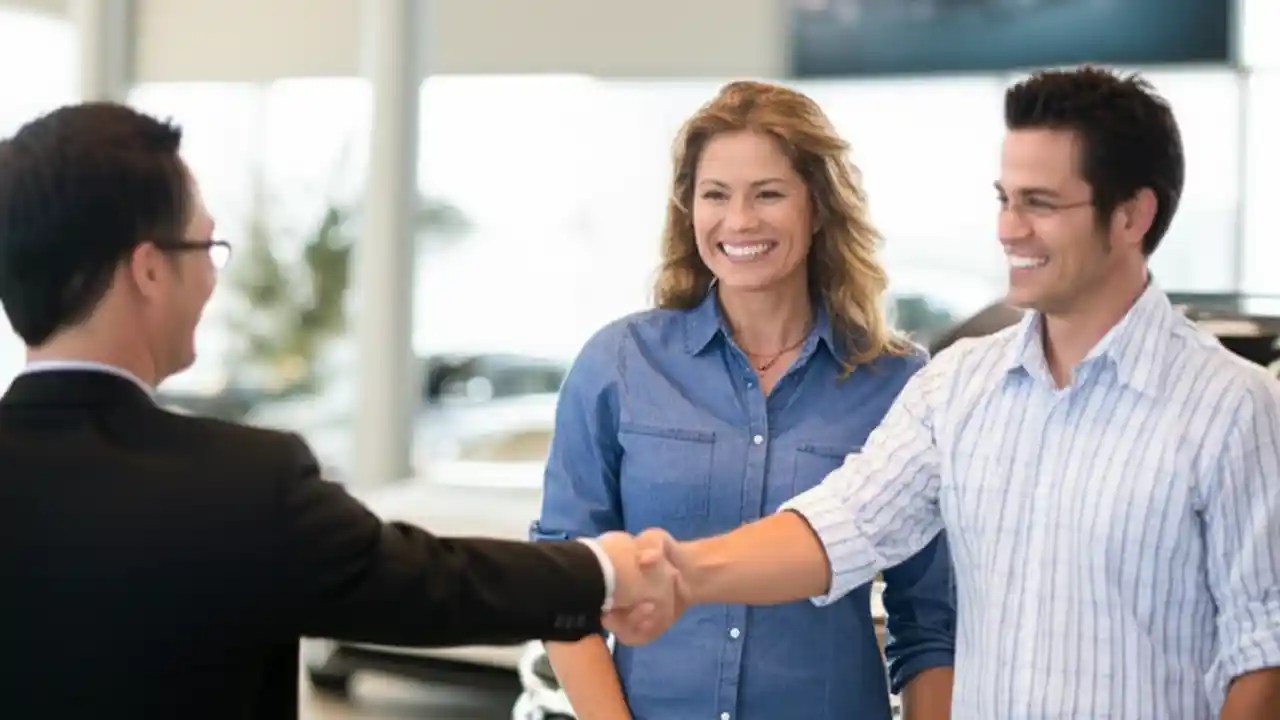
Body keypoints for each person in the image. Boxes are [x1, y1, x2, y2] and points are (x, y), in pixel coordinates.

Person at [611, 66, 1280, 719]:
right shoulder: (957, 388)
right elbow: (842, 527)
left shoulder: (1231, 408)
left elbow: (1265, 655)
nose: (1009, 229)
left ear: (1132, 215)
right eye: (1004, 199)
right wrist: (679, 573)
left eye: (1040, 204)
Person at [0, 102, 676, 720]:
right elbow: (433, 584)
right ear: (148, 270)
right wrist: (608, 572)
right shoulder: (239, 485)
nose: (211, 276)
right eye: (205, 247)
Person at [533, 80, 956, 720]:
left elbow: (928, 622)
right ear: (689, 209)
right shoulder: (619, 365)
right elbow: (564, 589)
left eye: (768, 194)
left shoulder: (899, 384)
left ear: (818, 208)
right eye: (715, 195)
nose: (739, 221)